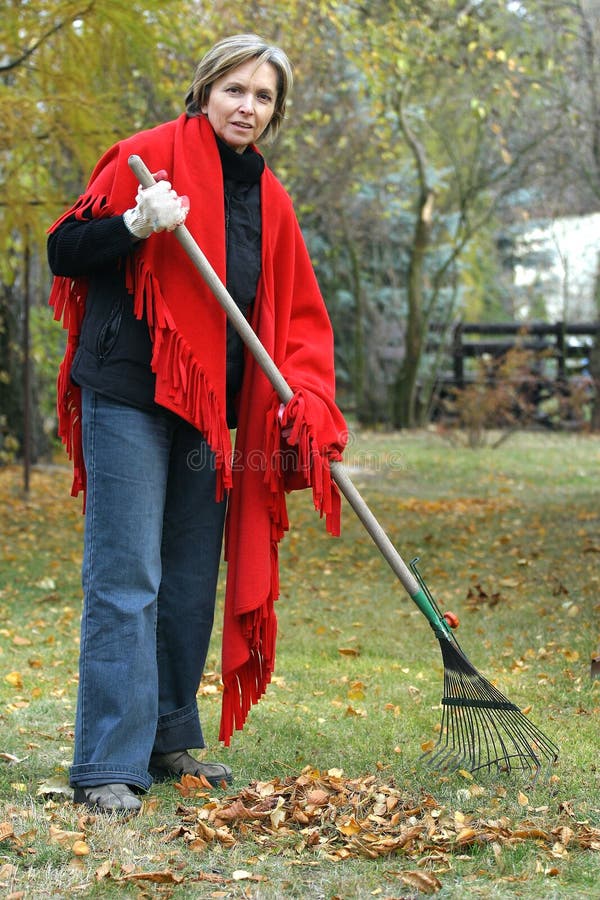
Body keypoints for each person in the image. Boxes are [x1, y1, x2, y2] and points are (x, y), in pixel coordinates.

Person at [47, 34, 347, 813]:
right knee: (127, 580)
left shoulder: (268, 200)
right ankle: (107, 765)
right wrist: (135, 226)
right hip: (128, 397)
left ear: (275, 113)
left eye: (263, 97)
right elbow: (64, 250)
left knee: (184, 581)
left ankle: (169, 734)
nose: (247, 107)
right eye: (235, 90)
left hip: (211, 418)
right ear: (206, 90)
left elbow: (295, 319)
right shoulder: (145, 157)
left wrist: (304, 397)